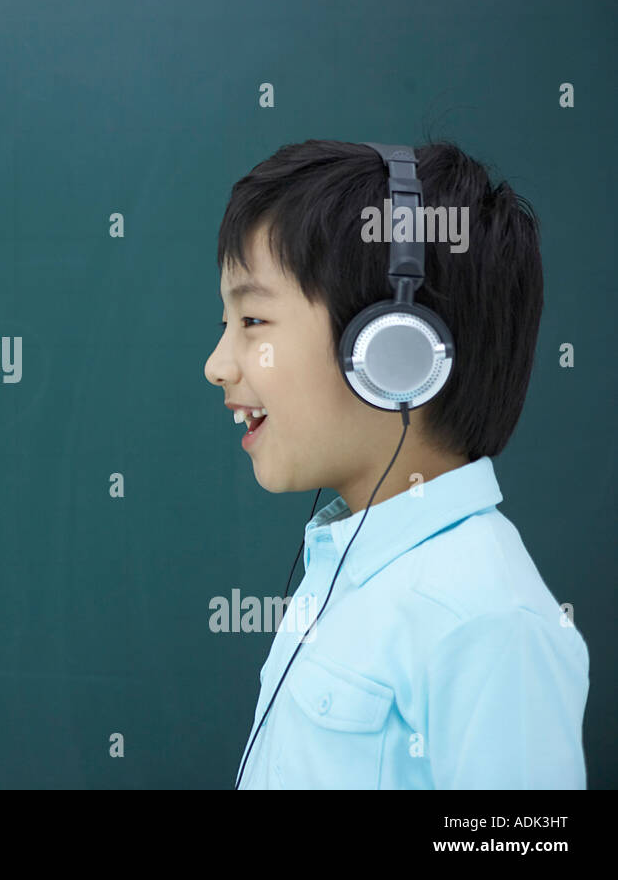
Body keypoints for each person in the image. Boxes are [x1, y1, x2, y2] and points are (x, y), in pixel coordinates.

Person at [203, 139, 589, 788]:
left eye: (252, 319)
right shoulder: (349, 570)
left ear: (393, 351)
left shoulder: (488, 623)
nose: (218, 364)